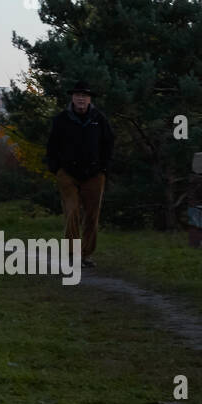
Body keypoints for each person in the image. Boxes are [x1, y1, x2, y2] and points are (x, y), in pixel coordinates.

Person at [45, 81, 113, 268]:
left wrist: (104, 168)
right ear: (72, 98)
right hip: (67, 173)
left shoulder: (99, 119)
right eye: (77, 95)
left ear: (90, 99)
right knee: (71, 212)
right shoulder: (61, 120)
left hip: (94, 173)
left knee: (92, 215)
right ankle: (73, 255)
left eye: (84, 95)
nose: (80, 98)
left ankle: (87, 254)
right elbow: (52, 146)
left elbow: (109, 144)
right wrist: (55, 168)